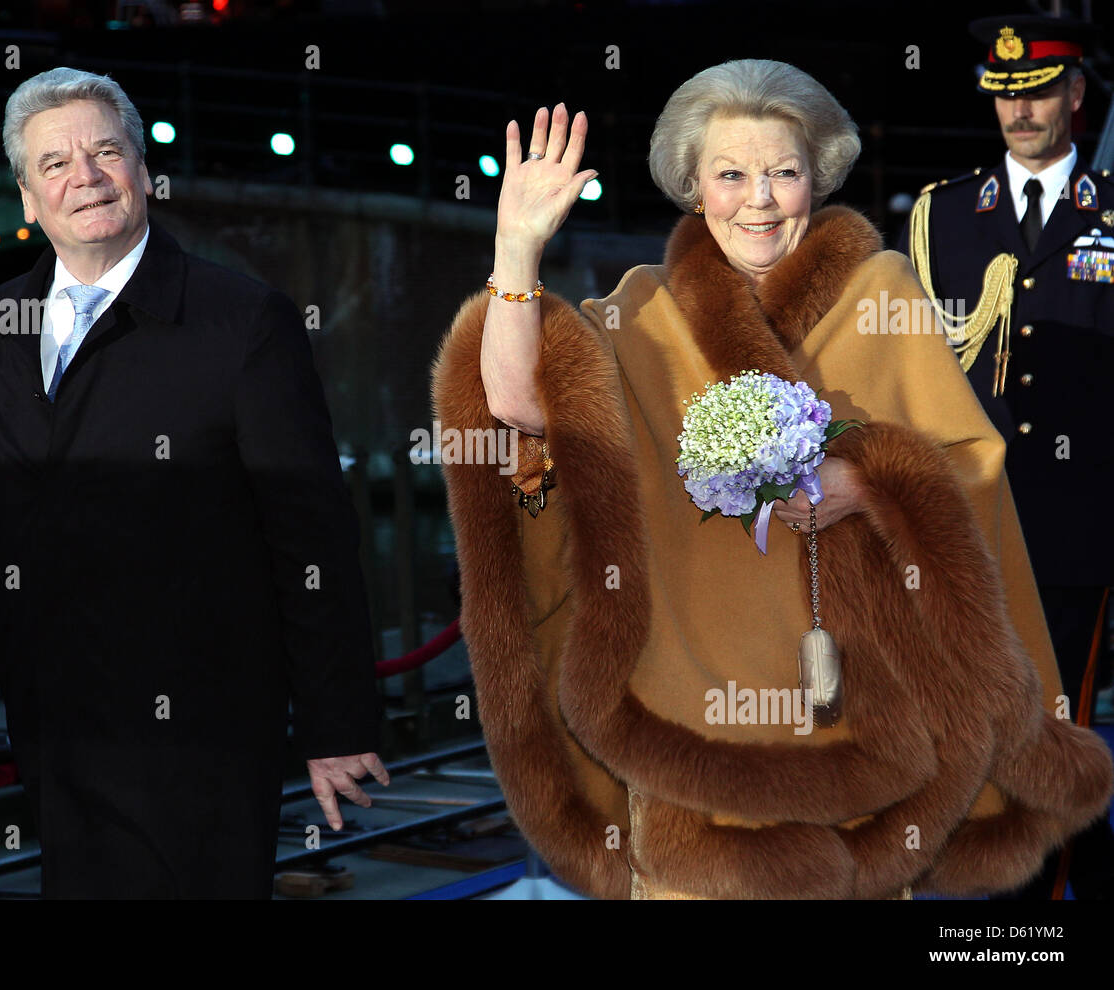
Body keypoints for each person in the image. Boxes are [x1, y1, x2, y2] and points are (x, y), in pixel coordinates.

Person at [431, 59, 1113, 899]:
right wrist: (517, 247)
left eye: (784, 172)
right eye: (732, 174)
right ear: (693, 185)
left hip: (861, 752)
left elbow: (972, 470)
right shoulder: (641, 311)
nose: (759, 197)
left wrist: (867, 482)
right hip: (689, 749)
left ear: (815, 179)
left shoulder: (882, 292)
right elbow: (518, 408)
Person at [0, 66, 388, 898]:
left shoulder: (241, 319)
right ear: (26, 199)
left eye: (105, 152)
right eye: (54, 165)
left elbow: (311, 535)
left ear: (144, 173)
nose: (83, 176)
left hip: (204, 732)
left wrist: (335, 723)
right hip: (54, 730)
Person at [899, 14, 1114, 899]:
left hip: (1078, 525)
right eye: (1004, 97)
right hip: (972, 518)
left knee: (1054, 715)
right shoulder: (945, 213)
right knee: (984, 715)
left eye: (1035, 95)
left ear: (1073, 96)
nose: (1019, 113)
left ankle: (1030, 898)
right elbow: (914, 366)